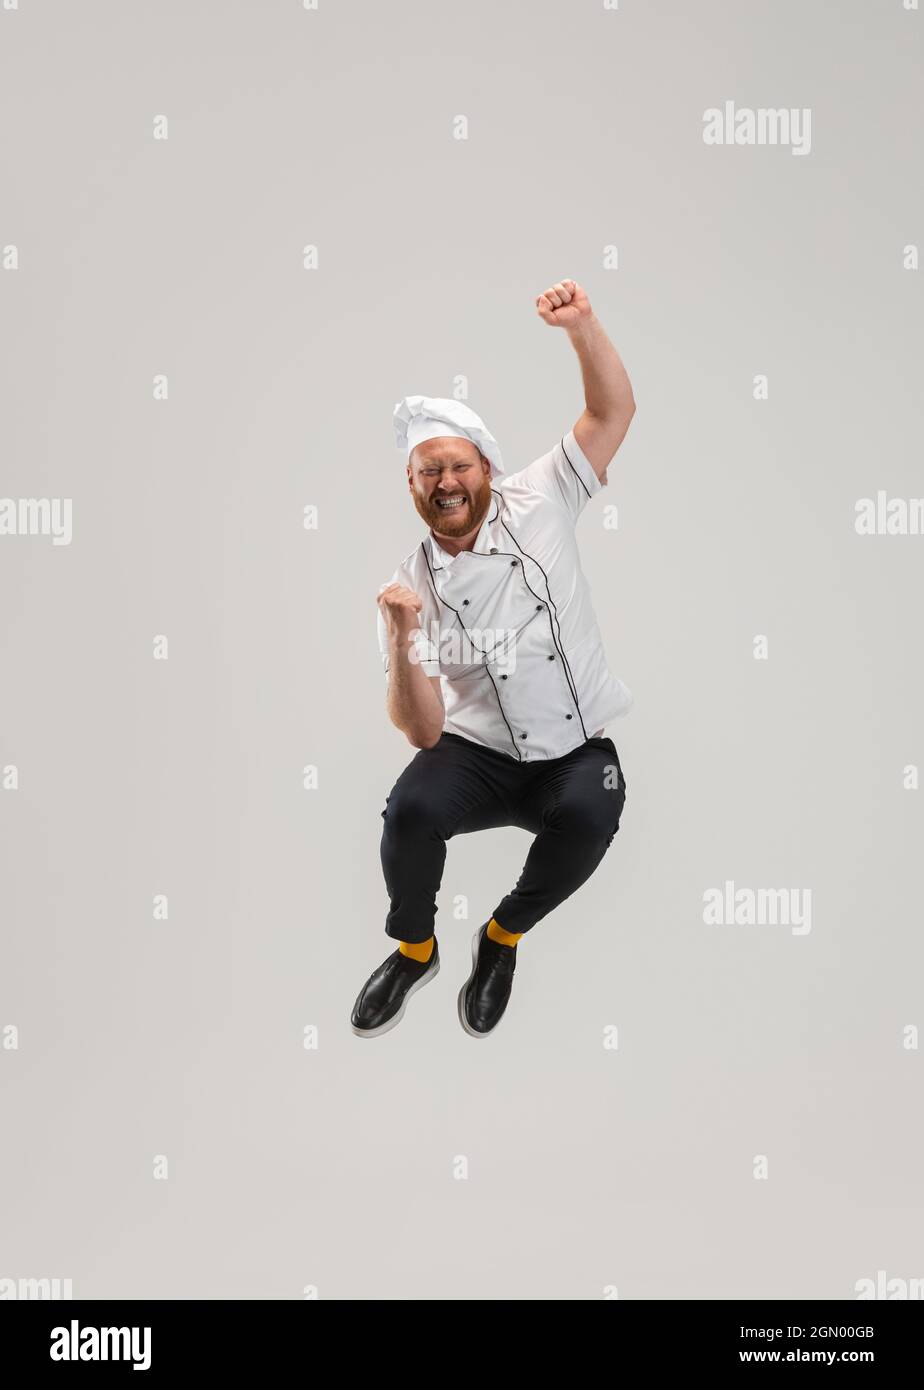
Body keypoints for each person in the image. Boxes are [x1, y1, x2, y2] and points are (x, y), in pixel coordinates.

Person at [351, 279, 636, 1040]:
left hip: (571, 751)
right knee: (409, 812)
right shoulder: (409, 585)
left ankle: (501, 937)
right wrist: (406, 638)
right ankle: (415, 951)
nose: (446, 483)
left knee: (595, 813)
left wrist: (581, 327)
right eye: (427, 472)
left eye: (458, 466)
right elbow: (421, 731)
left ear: (486, 465)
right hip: (478, 756)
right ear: (411, 486)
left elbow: (613, 413)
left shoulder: (542, 497)